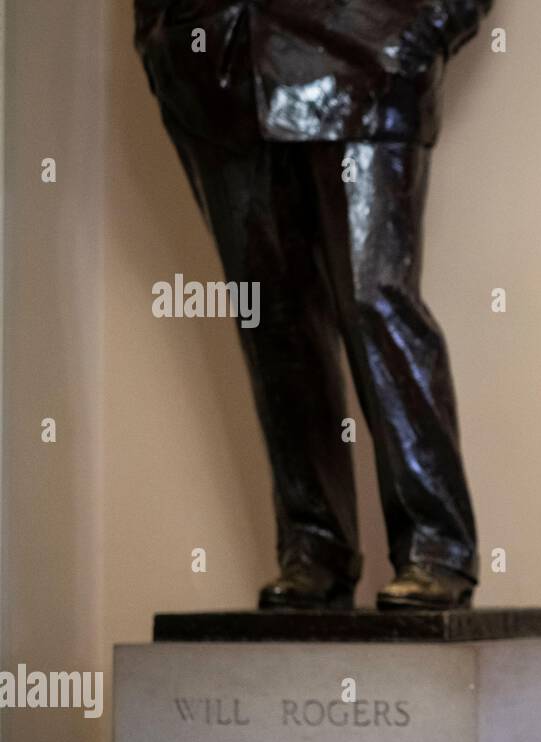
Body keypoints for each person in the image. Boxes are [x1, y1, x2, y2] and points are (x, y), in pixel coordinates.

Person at [134, 0, 492, 609]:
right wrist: (163, 36)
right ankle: (314, 546)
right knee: (272, 319)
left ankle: (436, 546)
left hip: (365, 48)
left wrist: (424, 26)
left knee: (376, 300)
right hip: (216, 68)